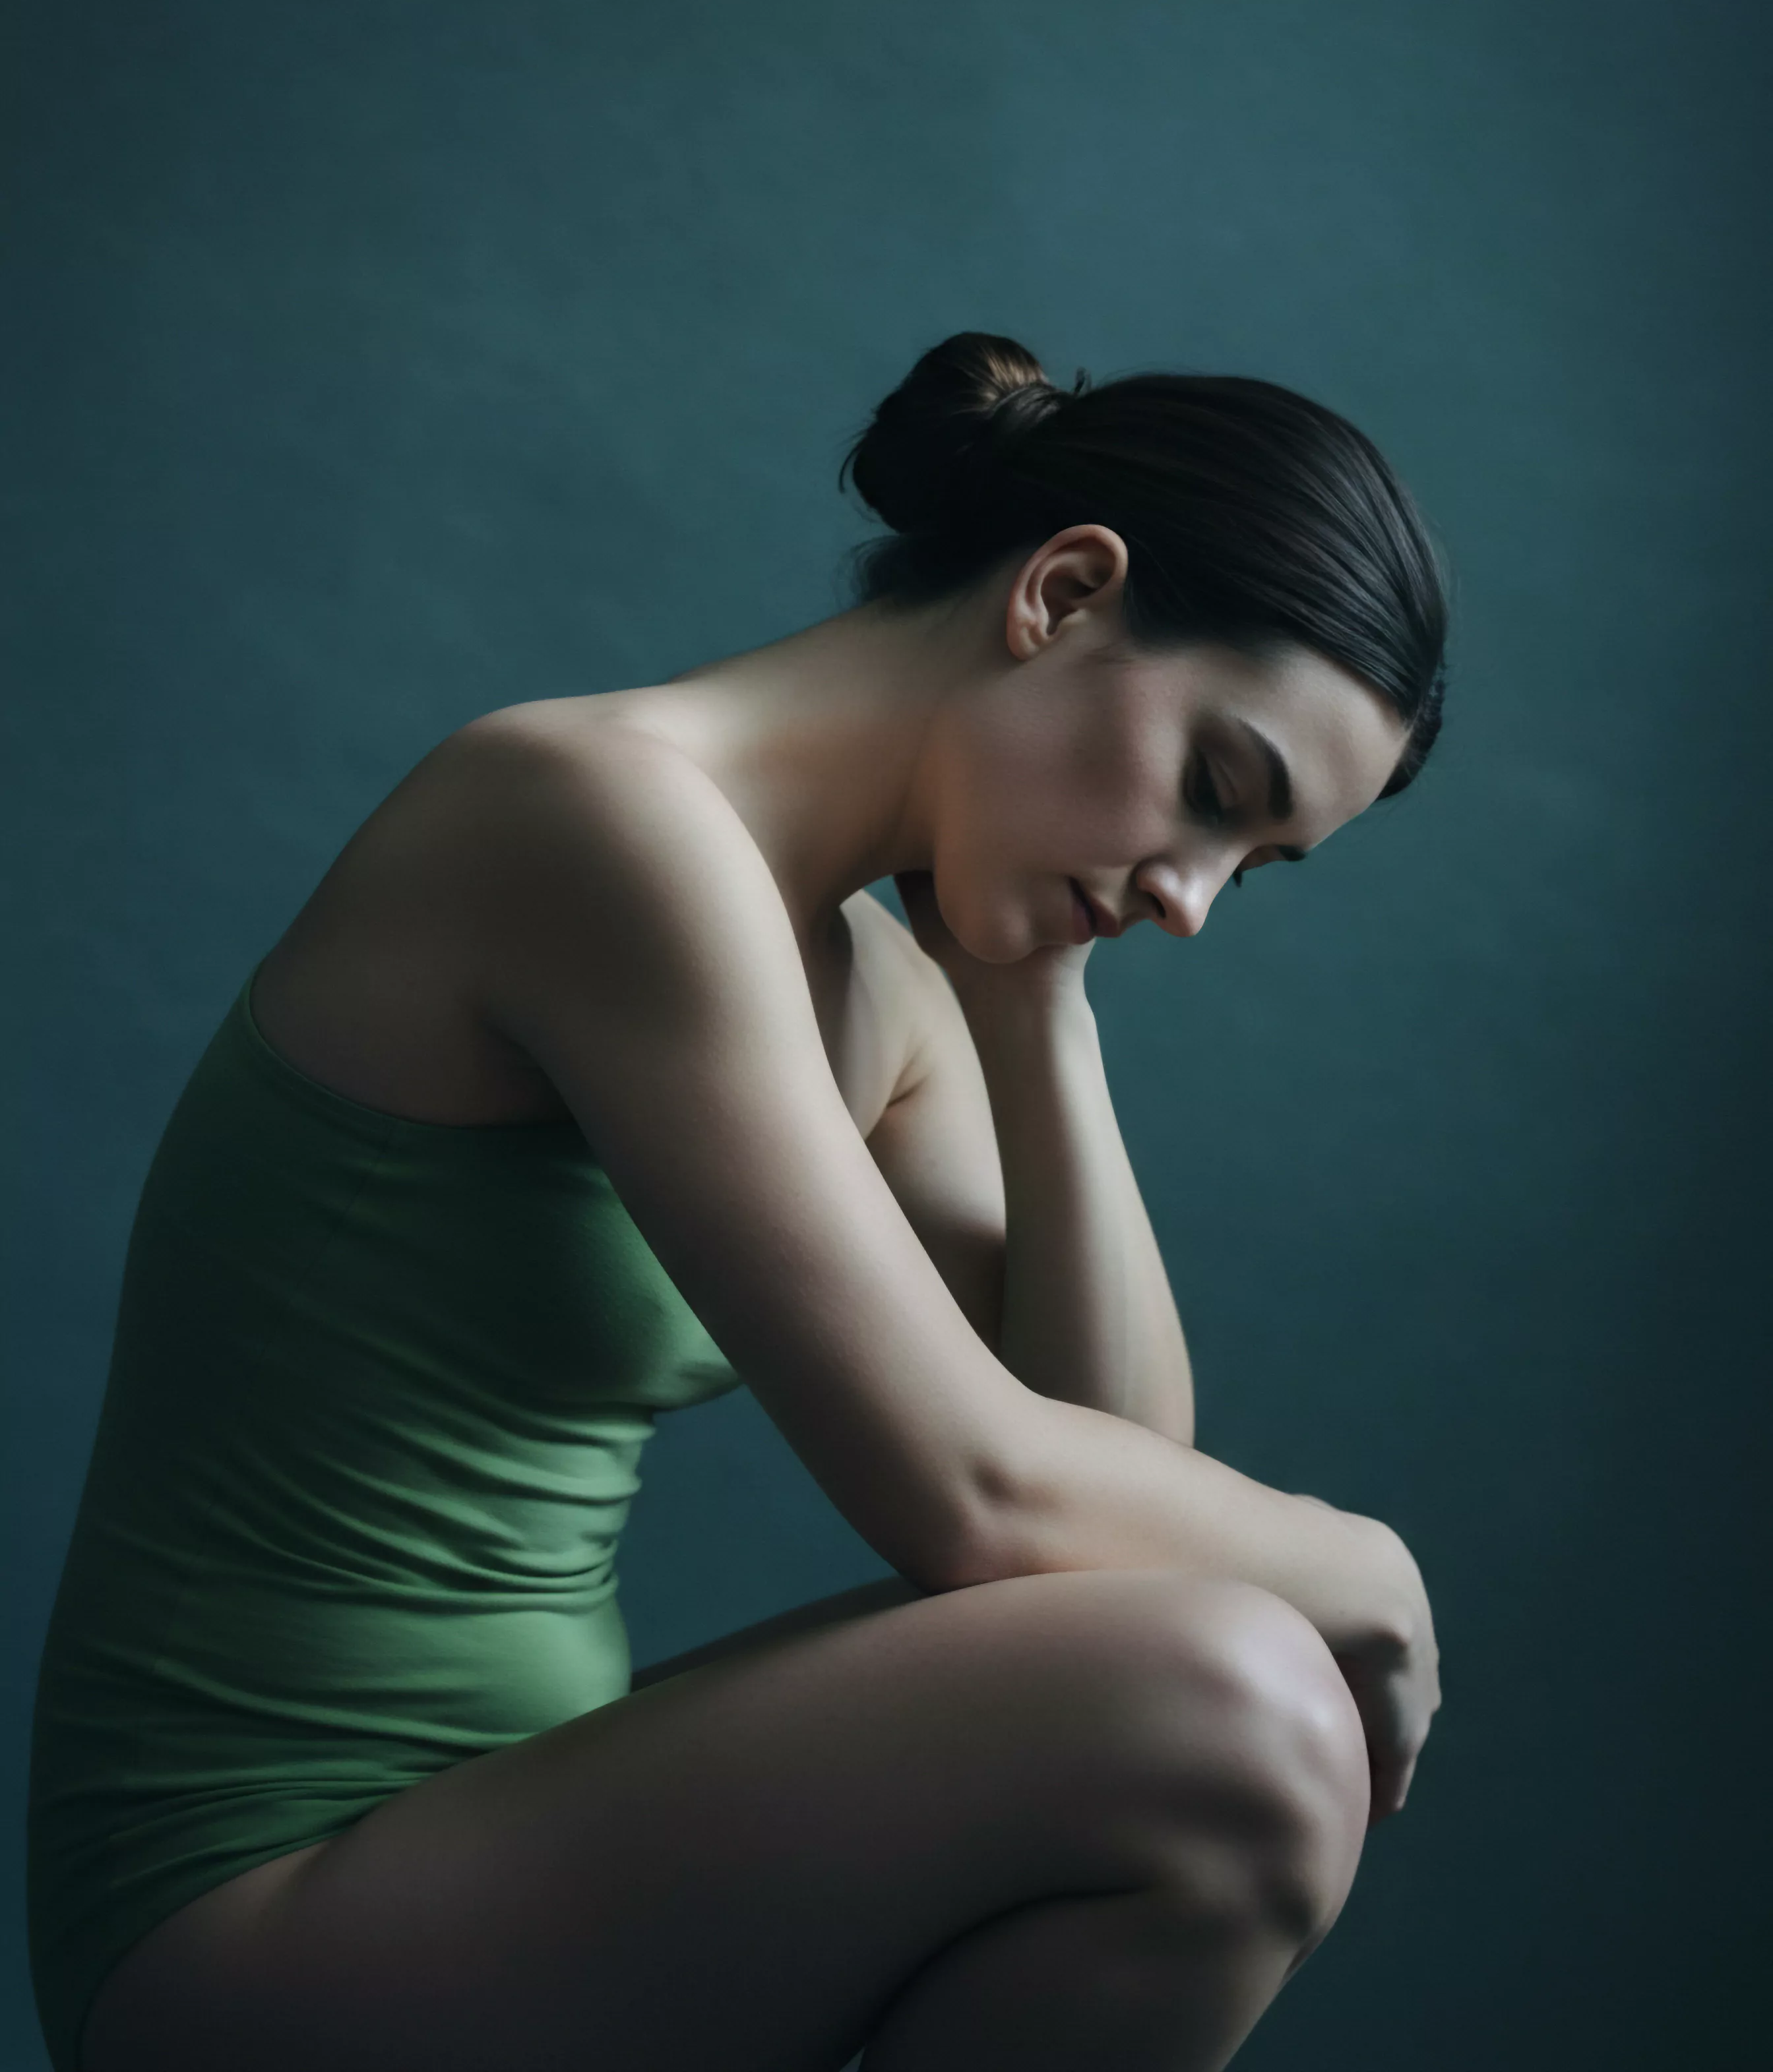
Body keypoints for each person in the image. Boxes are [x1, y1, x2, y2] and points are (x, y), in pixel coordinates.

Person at [29, 331, 1447, 2072]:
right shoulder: (590, 819)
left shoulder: (871, 980)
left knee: (1222, 1691)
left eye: (1253, 869)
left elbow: (1109, 1491)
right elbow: (981, 1502)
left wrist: (1032, 1009)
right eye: (1216, 793)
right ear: (1064, 593)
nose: (1195, 902)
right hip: (243, 1911)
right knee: (1242, 1716)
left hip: (507, 1847)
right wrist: (1362, 1566)